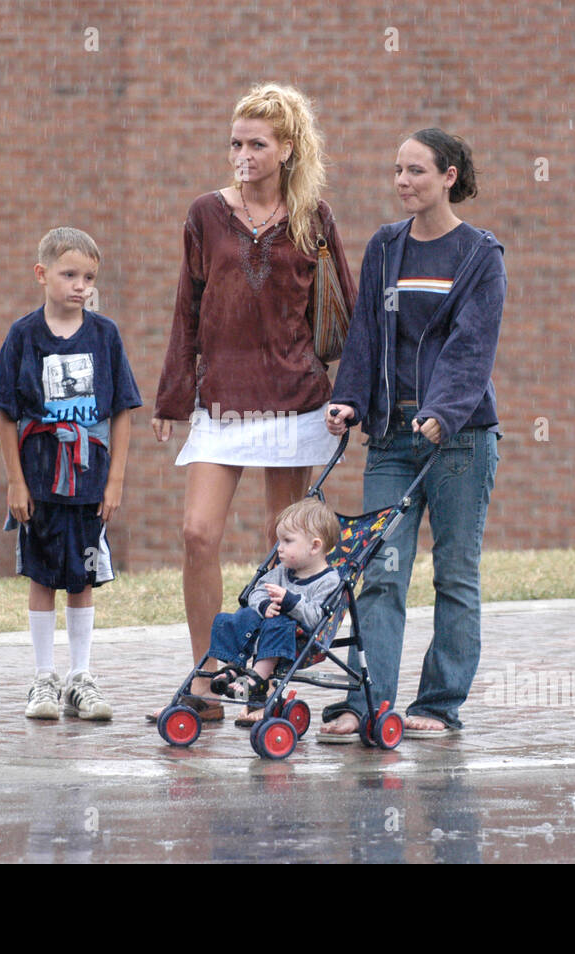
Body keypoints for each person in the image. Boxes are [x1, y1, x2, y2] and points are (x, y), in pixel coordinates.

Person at [148, 82, 357, 726]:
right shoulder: (205, 213)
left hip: (296, 401)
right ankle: (208, 676)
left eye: (257, 143)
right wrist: (173, 395)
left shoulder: (313, 217)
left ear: (287, 149)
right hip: (223, 402)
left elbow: (345, 311)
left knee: (287, 547)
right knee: (197, 534)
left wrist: (352, 397)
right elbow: (187, 308)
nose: (242, 154)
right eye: (235, 143)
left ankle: (272, 679)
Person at [319, 129, 506, 742]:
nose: (403, 181)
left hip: (459, 442)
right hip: (394, 438)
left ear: (449, 176)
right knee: (380, 570)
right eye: (397, 170)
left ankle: (440, 702)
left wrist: (445, 411)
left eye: (417, 171)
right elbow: (366, 335)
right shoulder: (386, 247)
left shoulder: (480, 255)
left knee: (454, 574)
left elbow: (471, 348)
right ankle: (365, 700)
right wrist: (349, 399)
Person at [0, 227, 141, 721]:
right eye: (69, 274)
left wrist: (115, 479)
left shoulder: (105, 335)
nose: (80, 285)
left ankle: (81, 676)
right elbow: (5, 412)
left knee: (82, 576)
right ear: (42, 274)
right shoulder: (23, 335)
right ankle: (44, 678)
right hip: (39, 477)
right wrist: (15, 479)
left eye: (89, 277)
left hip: (89, 477)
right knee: (41, 574)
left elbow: (121, 410)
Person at [206, 498, 343, 702]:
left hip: (297, 638)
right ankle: (235, 666)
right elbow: (257, 591)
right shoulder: (281, 571)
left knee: (278, 623)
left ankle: (259, 676)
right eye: (279, 541)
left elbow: (317, 618)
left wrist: (290, 602)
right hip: (264, 630)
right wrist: (264, 605)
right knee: (240, 616)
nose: (279, 548)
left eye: (287, 541)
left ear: (314, 547)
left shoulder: (329, 581)